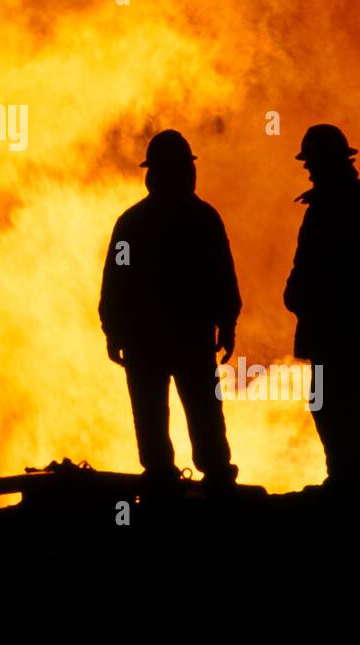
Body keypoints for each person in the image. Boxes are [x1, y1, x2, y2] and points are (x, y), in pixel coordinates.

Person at [99, 129, 241, 494]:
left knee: (152, 411)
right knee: (201, 408)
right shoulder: (203, 219)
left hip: (147, 340)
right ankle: (215, 477)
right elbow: (222, 277)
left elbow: (115, 282)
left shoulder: (133, 222)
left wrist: (114, 331)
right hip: (187, 336)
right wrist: (226, 324)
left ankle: (161, 476)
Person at [283, 124, 360, 492]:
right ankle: (347, 479)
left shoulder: (355, 202)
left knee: (352, 407)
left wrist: (311, 292)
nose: (308, 169)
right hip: (337, 328)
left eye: (312, 162)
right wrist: (298, 291)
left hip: (347, 329)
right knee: (329, 405)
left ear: (330, 161)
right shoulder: (334, 203)